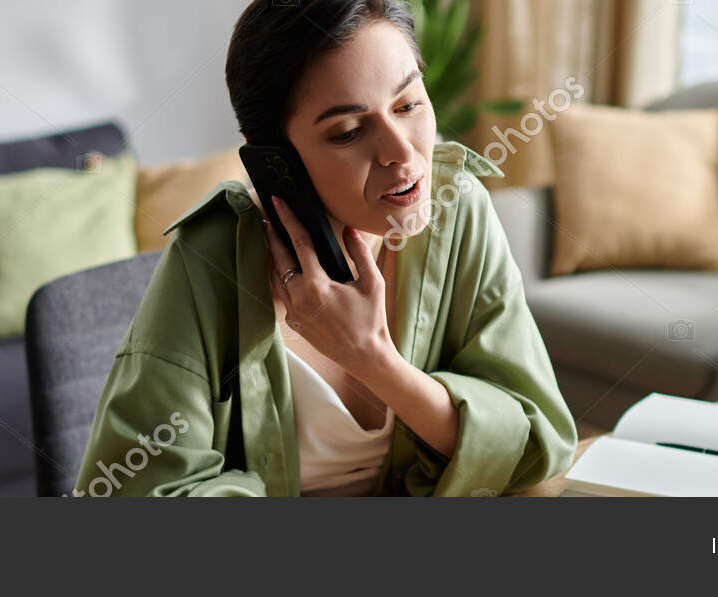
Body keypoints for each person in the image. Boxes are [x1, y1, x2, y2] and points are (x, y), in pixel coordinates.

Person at [73, 0, 574, 497]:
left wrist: (373, 359)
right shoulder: (211, 257)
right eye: (349, 132)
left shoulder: (458, 209)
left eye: (408, 105)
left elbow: (535, 444)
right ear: (274, 160)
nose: (402, 153)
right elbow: (133, 490)